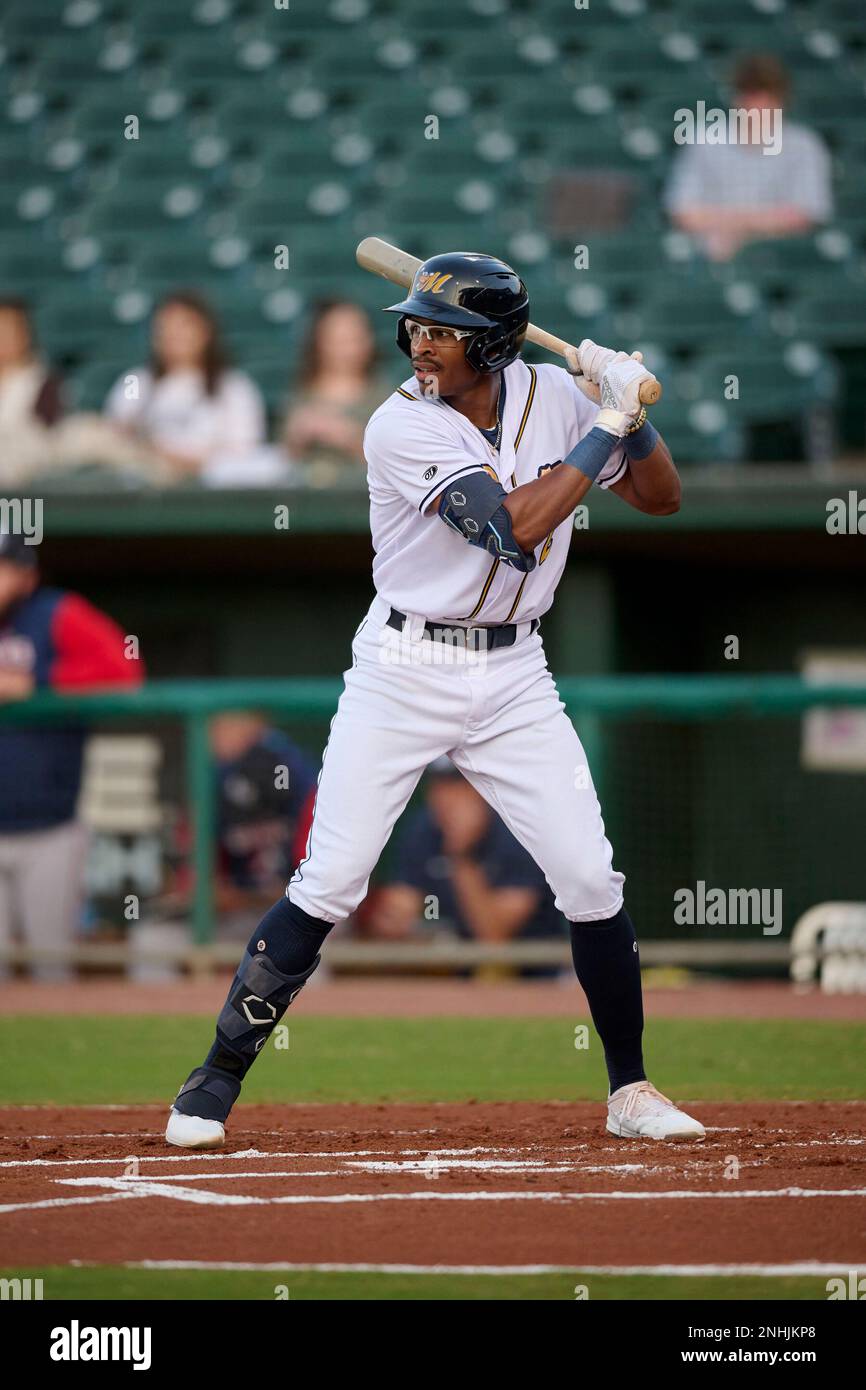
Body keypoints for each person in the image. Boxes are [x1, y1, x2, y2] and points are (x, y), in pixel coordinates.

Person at [165, 250, 704, 1150]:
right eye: (414, 325)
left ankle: (630, 1089)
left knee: (589, 877)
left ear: (493, 347)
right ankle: (214, 1080)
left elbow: (663, 497)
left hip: (514, 675)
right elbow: (514, 532)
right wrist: (609, 416)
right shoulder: (399, 425)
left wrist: (628, 411)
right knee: (332, 878)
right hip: (404, 667)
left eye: (442, 332)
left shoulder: (558, 399)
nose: (419, 342)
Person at [0, 534, 143, 978]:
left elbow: (125, 666)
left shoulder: (56, 612)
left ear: (27, 575)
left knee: (51, 966)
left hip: (51, 828)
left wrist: (40, 680)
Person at [370, 756, 564, 956]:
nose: (445, 797)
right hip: (456, 972)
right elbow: (408, 909)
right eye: (438, 785)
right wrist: (405, 919)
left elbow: (494, 938)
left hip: (534, 972)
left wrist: (460, 856)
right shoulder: (423, 829)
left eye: (459, 785)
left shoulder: (517, 831)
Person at [665, 54, 833, 261]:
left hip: (782, 257)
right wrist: (757, 223)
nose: (758, 108)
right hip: (712, 256)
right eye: (750, 96)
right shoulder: (705, 140)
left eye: (767, 98)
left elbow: (806, 214)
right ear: (737, 98)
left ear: (781, 101)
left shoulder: (804, 144)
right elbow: (683, 212)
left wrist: (737, 230)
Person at [104, 291, 266, 484]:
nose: (174, 334)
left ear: (205, 331)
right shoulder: (137, 382)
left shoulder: (233, 386)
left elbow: (243, 455)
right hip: (143, 477)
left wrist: (176, 458)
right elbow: (115, 433)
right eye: (165, 327)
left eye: (184, 326)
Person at [210, 712, 317, 924]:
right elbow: (200, 882)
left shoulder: (304, 779)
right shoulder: (213, 781)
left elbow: (321, 883)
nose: (215, 739)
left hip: (300, 914)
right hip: (236, 916)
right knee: (153, 937)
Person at [282, 300, 389, 486]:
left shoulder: (385, 398)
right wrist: (298, 435)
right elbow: (283, 460)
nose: (346, 350)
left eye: (353, 339)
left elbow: (395, 463)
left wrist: (347, 436)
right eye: (337, 340)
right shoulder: (302, 394)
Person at [0, 299, 64, 485]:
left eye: (8, 330)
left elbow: (45, 441)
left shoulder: (44, 383)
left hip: (24, 477)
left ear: (25, 334)